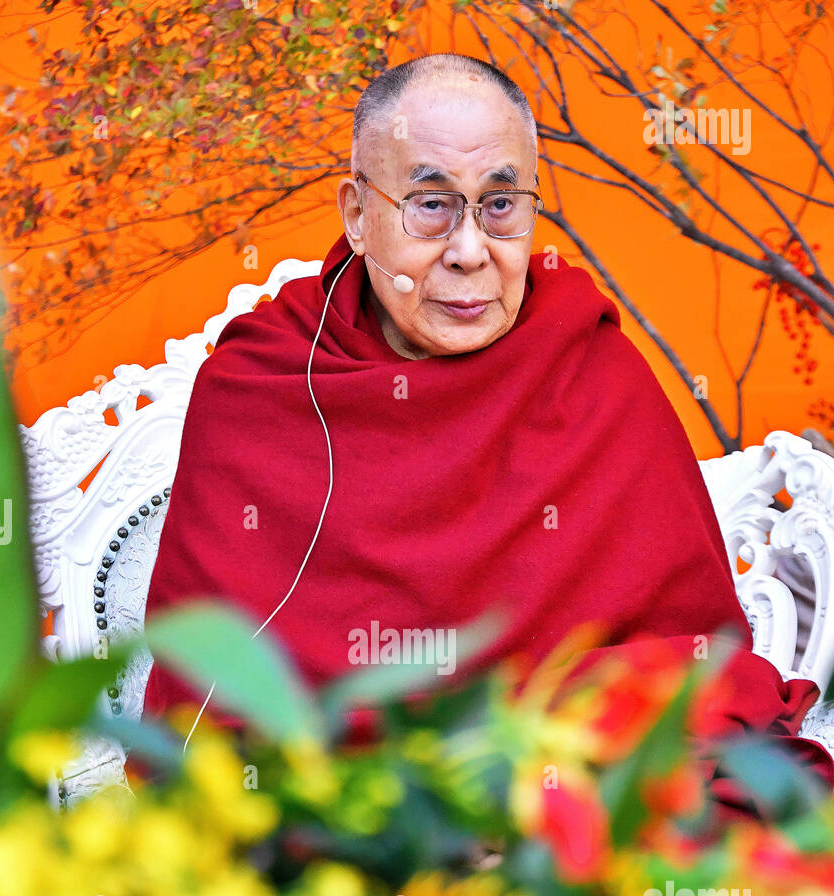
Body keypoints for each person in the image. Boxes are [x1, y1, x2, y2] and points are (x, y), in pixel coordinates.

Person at [140, 52, 834, 798]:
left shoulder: (590, 371)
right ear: (357, 214)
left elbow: (690, 671)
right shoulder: (261, 391)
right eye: (431, 204)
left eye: (500, 206)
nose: (470, 253)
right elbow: (208, 708)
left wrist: (542, 798)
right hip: (345, 824)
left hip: (571, 809)